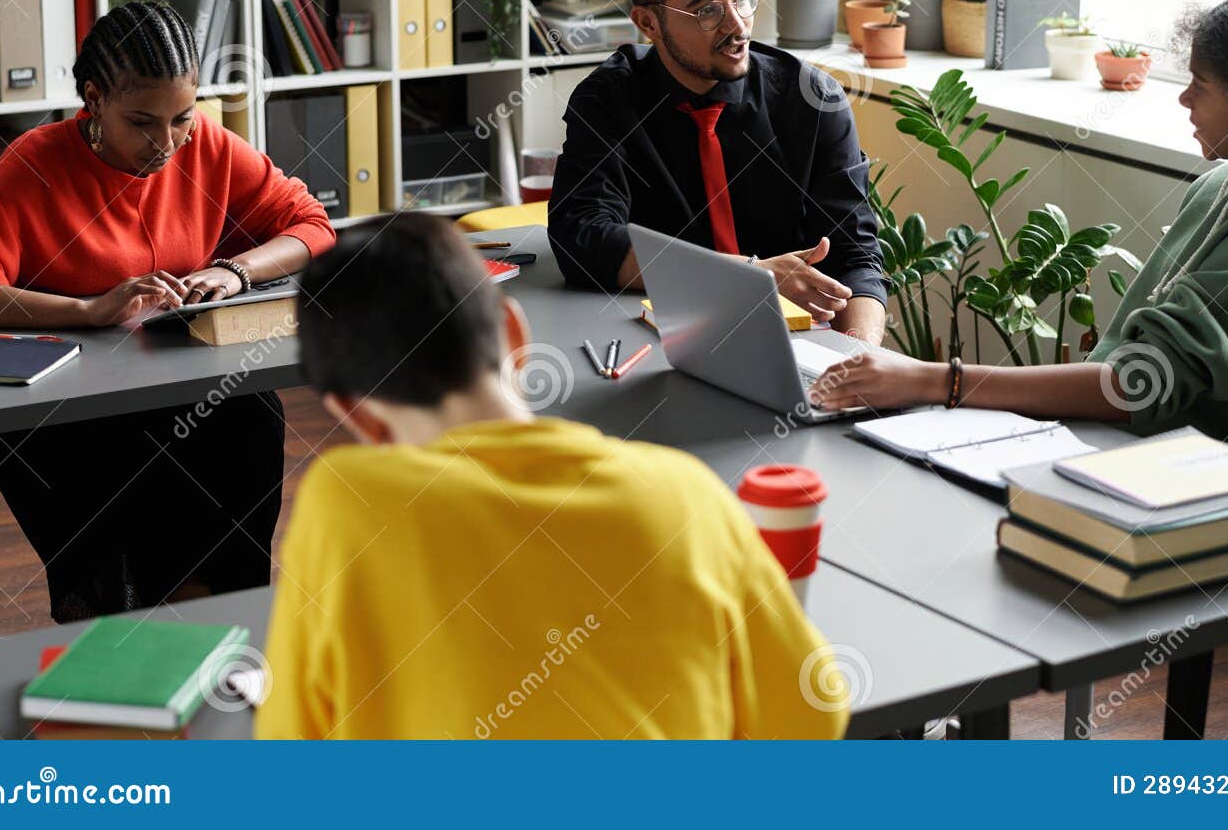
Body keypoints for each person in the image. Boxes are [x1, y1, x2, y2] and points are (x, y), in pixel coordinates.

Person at [256, 214, 846, 740]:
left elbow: (290, 737)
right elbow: (811, 714)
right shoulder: (687, 493)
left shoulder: (346, 508)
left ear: (352, 413)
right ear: (516, 335)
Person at [809, 0, 1228, 457]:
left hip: (1160, 475)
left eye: (1200, 85)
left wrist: (933, 380)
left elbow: (1135, 387)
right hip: (1105, 444)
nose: (1184, 98)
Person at [0, 1, 335, 621]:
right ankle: (121, 616)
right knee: (115, 458)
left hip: (175, 386)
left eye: (181, 118)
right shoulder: (34, 164)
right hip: (67, 407)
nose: (166, 144)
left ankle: (219, 612)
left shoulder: (206, 146)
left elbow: (311, 224)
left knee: (250, 415)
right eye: (141, 122)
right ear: (94, 99)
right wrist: (85, 309)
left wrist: (234, 270)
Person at [548, 0, 887, 344]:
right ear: (649, 23)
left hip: (798, 341)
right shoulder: (609, 99)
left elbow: (856, 257)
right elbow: (582, 238)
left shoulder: (812, 100)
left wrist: (857, 358)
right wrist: (750, 273)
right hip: (661, 337)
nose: (738, 25)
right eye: (708, 10)